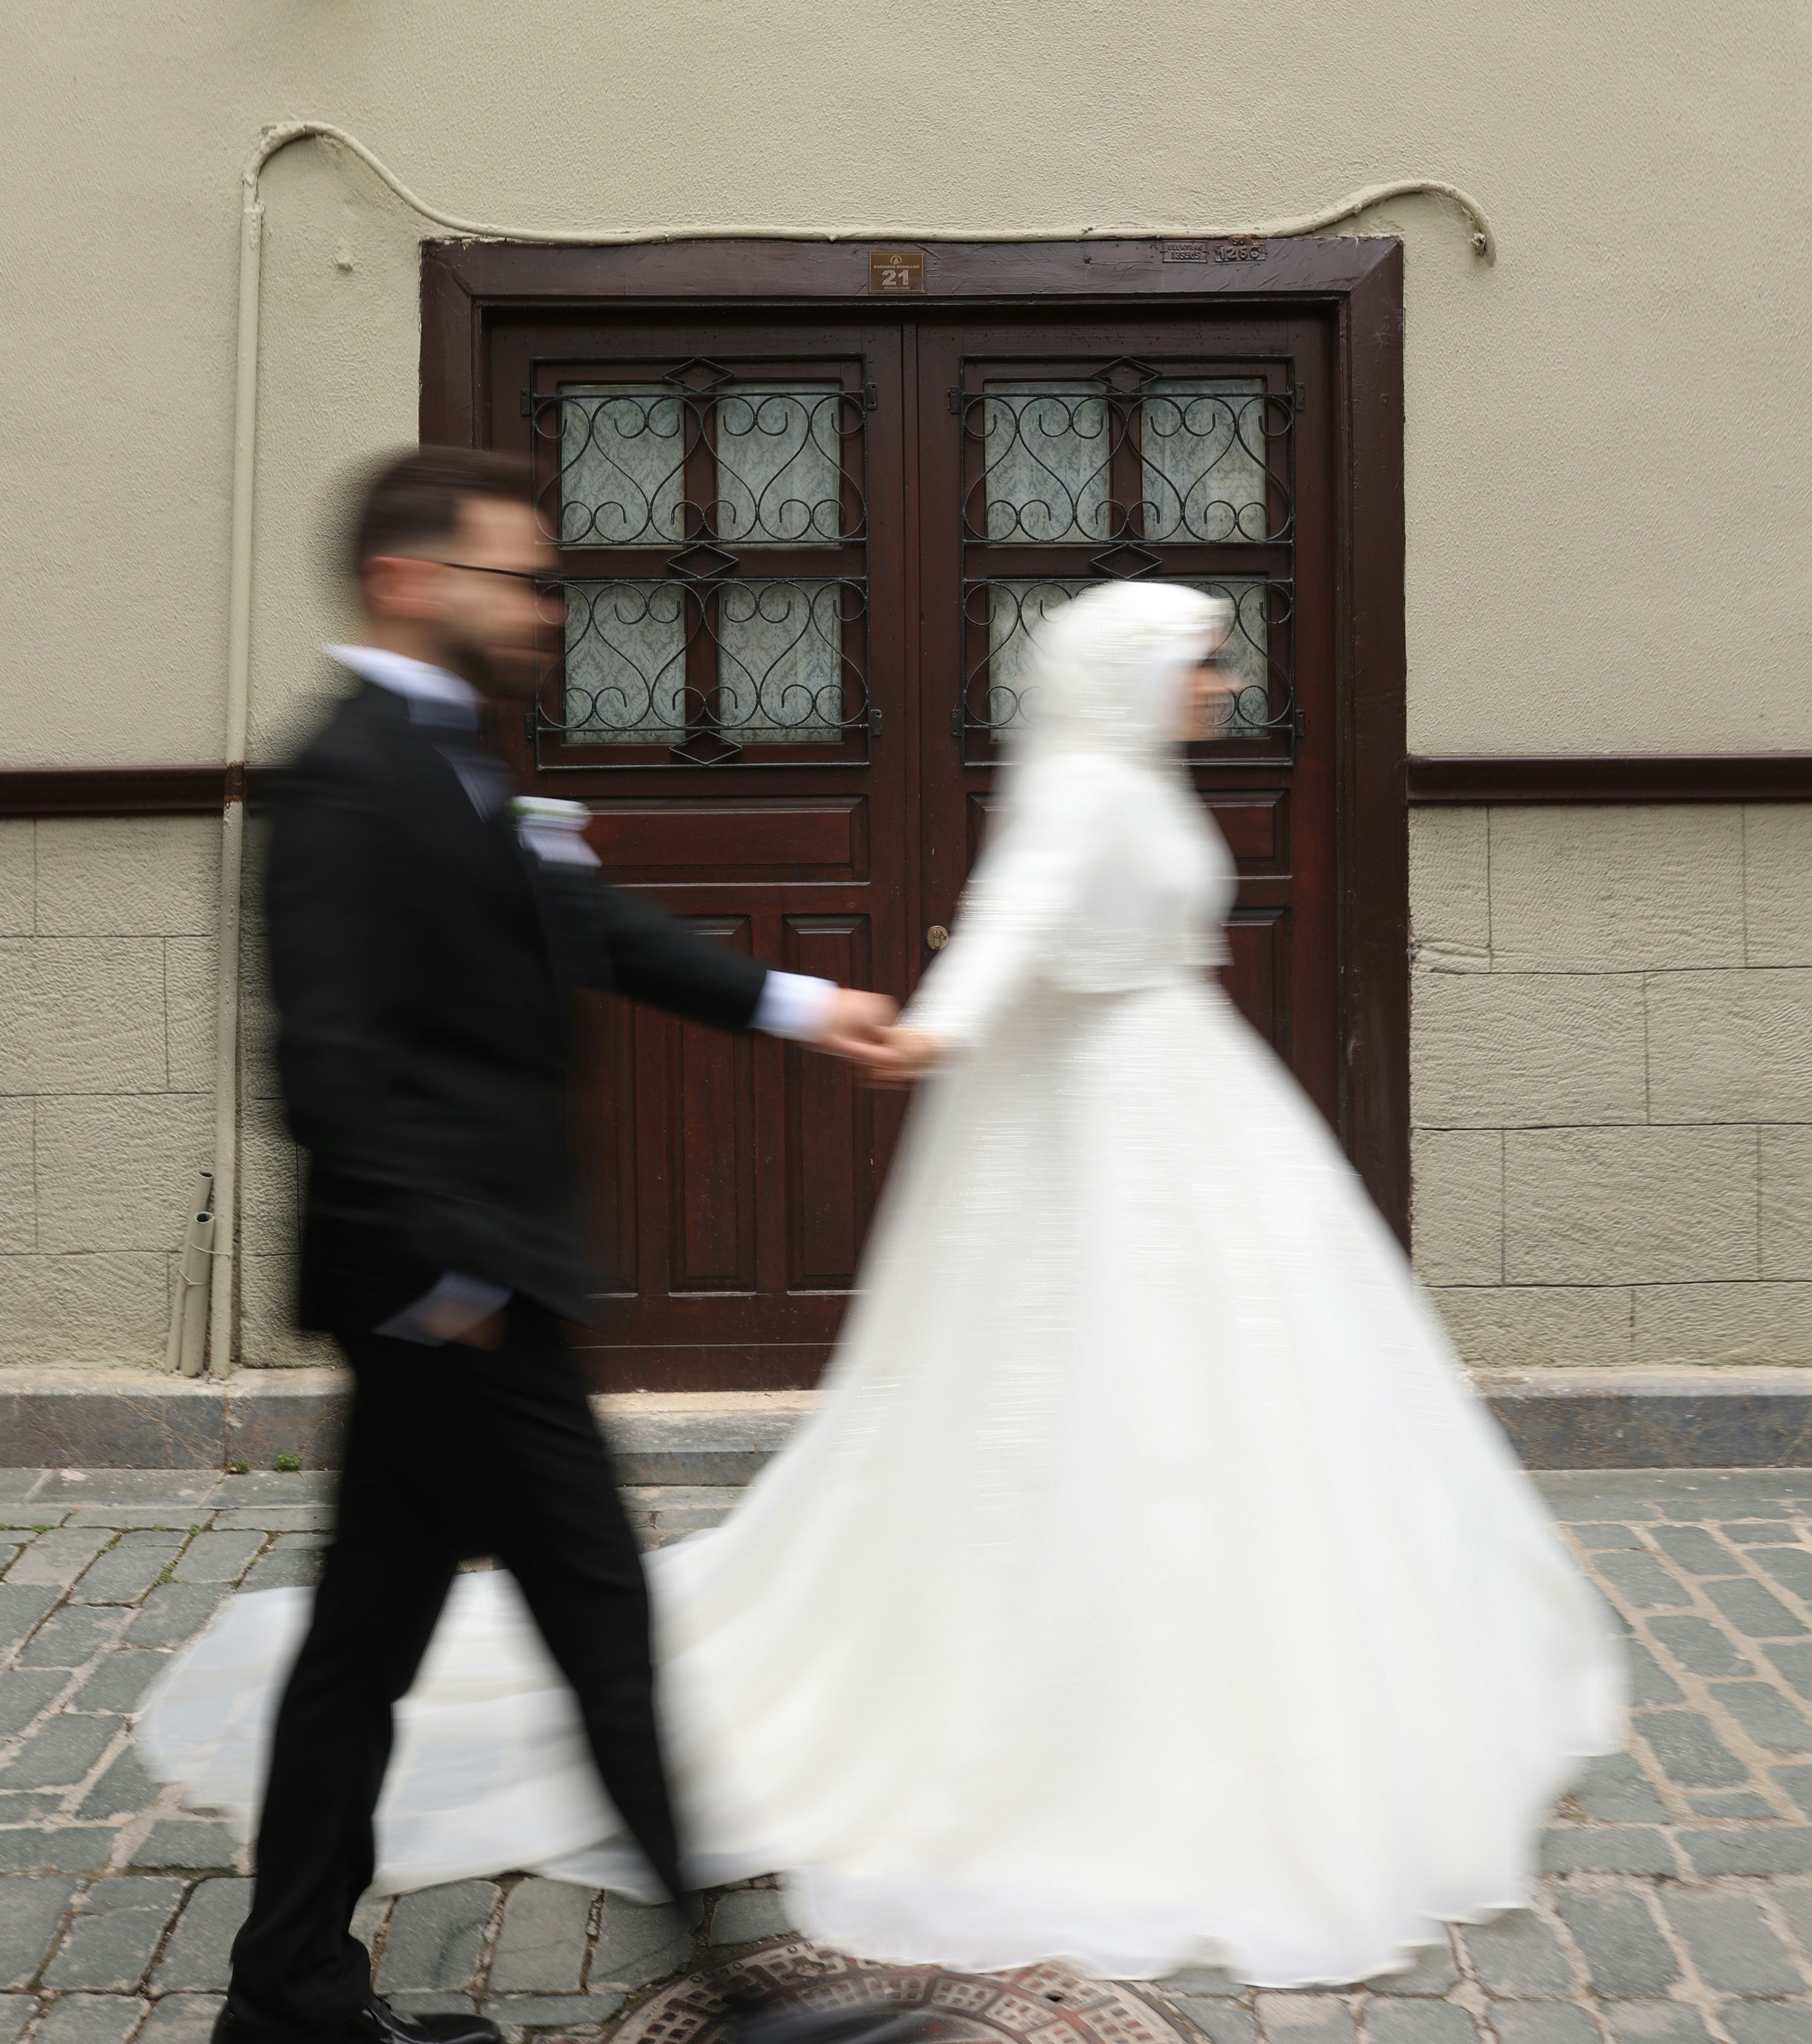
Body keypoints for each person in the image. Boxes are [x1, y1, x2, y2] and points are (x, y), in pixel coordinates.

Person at [153, 578, 1626, 1996]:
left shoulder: (1143, 784)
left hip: (1199, 1125)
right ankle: (698, 1951)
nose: (1225, 685)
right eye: (1202, 661)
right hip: (1087, 1150)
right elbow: (1009, 931)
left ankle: (356, 1962)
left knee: (1244, 1404)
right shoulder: (1084, 796)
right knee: (1102, 1422)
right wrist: (910, 1033)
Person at [209, 447, 907, 2044]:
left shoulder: (466, 762)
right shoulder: (343, 779)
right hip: (456, 1298)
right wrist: (454, 1287)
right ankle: (742, 2004)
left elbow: (597, 932)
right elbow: (328, 1068)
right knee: (602, 1621)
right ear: (411, 582)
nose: (547, 607)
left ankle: (287, 1990)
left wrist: (809, 1005)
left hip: (451, 1299)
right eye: (520, 578)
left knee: (360, 1651)